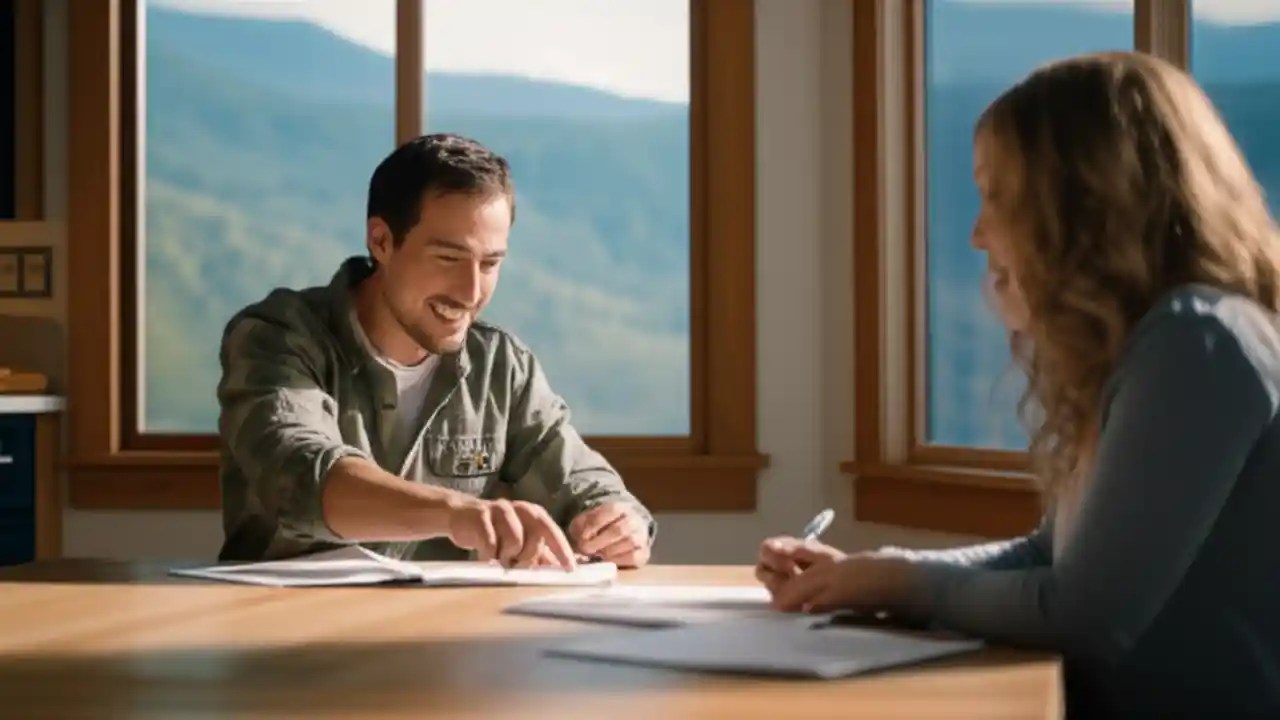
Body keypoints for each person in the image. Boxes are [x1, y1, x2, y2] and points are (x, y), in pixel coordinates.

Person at [757, 52, 1280, 717]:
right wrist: (868, 575)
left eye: (995, 199)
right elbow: (1046, 555)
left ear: (1085, 203)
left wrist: (902, 582)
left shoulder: (1198, 344)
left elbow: (1085, 614)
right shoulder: (1158, 345)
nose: (977, 235)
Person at [217, 133, 655, 570]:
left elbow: (582, 480)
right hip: (285, 627)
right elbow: (304, 479)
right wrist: (455, 514)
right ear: (381, 241)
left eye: (490, 264)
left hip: (444, 630)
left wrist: (619, 522)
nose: (471, 292)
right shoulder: (276, 338)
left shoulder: (501, 368)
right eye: (449, 258)